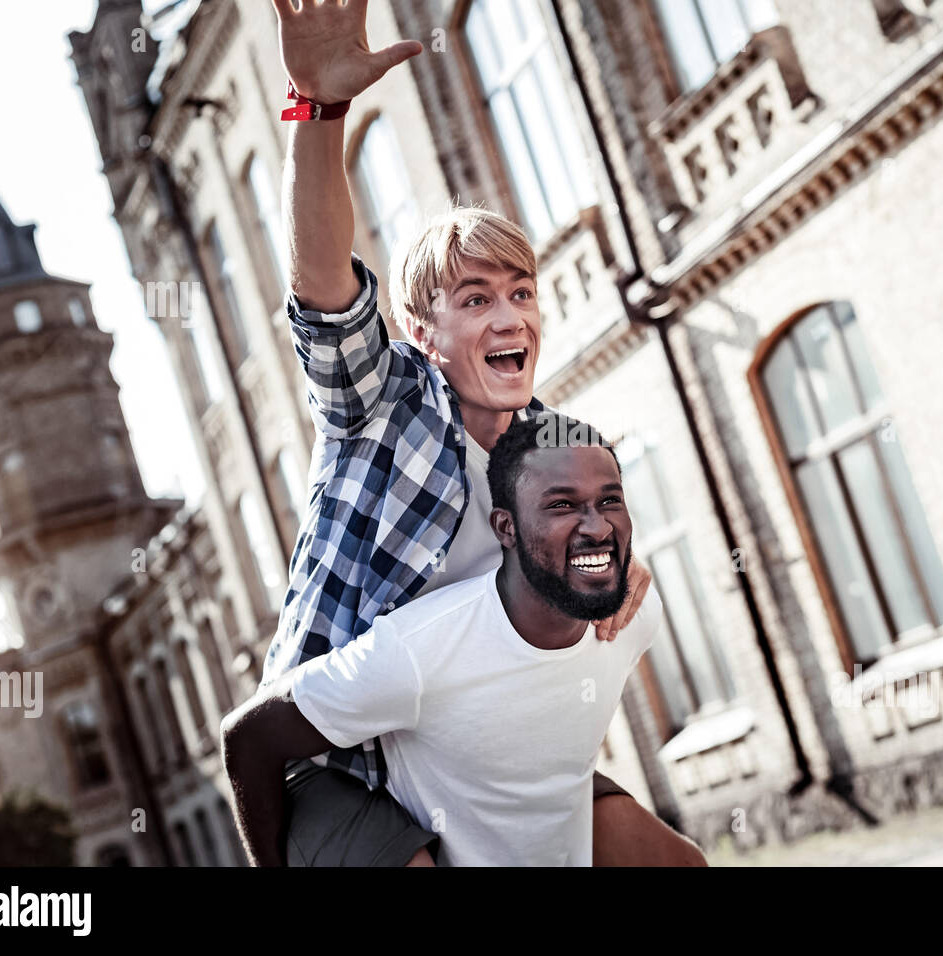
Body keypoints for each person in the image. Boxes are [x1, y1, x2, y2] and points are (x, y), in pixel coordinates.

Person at [256, 0, 706, 865]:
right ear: (423, 332)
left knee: (673, 863)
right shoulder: (382, 404)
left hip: (464, 747)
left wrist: (611, 570)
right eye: (474, 300)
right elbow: (319, 281)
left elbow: (573, 569)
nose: (510, 316)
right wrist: (316, 110)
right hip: (336, 756)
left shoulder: (550, 447)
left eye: (520, 292)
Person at [224, 416, 660, 866]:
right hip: (340, 783)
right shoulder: (417, 650)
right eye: (562, 506)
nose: (599, 527)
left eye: (610, 500)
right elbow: (248, 736)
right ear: (505, 528)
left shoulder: (635, 612)